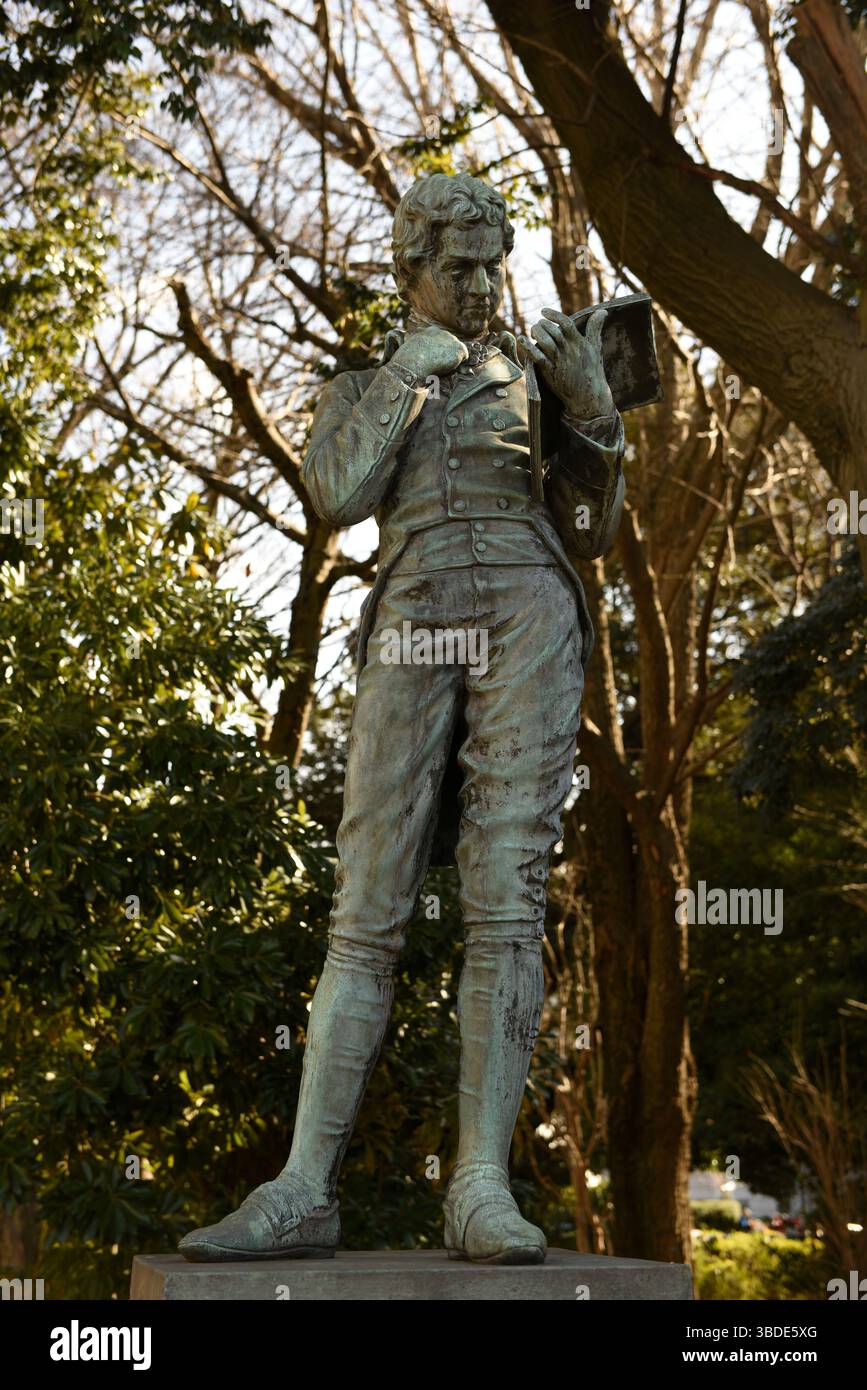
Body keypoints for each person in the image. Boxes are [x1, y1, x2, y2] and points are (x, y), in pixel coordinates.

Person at [180, 172, 625, 1266]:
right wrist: (406, 378)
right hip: (416, 612)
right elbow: (332, 496)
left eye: (491, 266)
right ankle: (303, 1186)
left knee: (508, 892)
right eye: (458, 268)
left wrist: (596, 412)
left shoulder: (536, 373)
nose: (480, 288)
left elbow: (590, 527)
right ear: (412, 269)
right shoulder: (365, 380)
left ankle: (478, 1181)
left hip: (529, 609)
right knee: (367, 896)